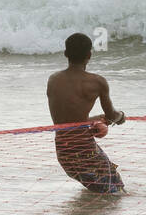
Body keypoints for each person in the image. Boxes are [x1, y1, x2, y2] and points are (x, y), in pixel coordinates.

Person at [46, 33, 126, 194]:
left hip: (63, 152)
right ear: (89, 55)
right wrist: (121, 117)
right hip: (85, 151)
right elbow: (111, 115)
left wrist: (92, 119)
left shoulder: (53, 80)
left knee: (101, 193)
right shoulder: (97, 82)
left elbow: (69, 121)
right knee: (115, 191)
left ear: (65, 53)